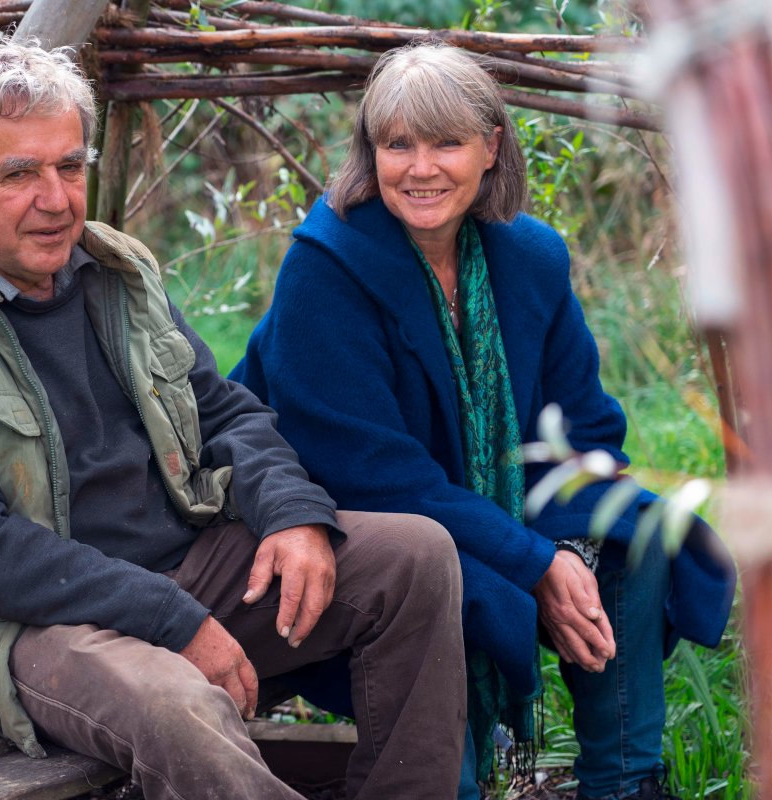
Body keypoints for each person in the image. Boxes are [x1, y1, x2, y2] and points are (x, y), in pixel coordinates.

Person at [0, 39, 466, 800]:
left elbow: (221, 409)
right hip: (16, 626)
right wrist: (170, 618)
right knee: (177, 705)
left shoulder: (116, 270)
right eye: (19, 174)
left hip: (179, 568)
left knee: (416, 558)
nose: (57, 199)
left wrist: (293, 513)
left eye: (70, 166)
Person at [231, 42, 737, 800]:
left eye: (446, 143)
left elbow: (586, 432)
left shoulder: (529, 257)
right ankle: (451, 782)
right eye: (398, 144)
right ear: (371, 153)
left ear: (490, 147)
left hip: (483, 502)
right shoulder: (324, 271)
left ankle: (625, 783)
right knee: (453, 578)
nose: (421, 168)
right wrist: (532, 562)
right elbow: (375, 477)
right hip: (354, 522)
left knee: (631, 533)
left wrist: (560, 547)